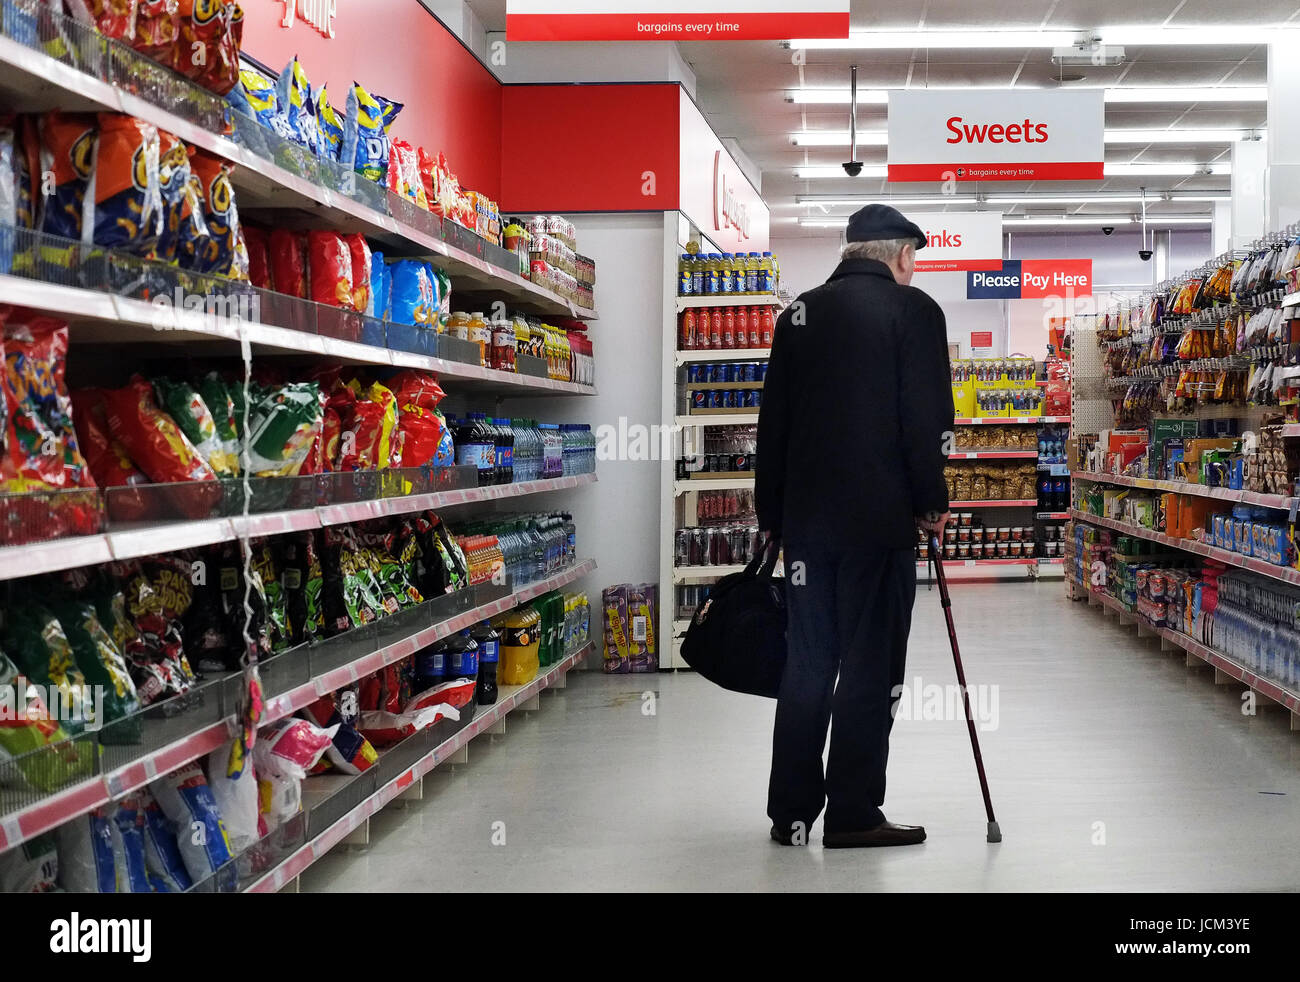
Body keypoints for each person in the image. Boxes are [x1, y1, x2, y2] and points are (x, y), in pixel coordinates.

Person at [755, 204, 953, 849]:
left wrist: (771, 517)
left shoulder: (798, 315)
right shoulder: (915, 311)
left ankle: (789, 813)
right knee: (871, 669)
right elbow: (925, 423)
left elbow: (773, 426)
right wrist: (931, 501)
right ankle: (854, 814)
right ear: (901, 255)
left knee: (809, 664)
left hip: (809, 528)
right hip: (879, 524)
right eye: (913, 258)